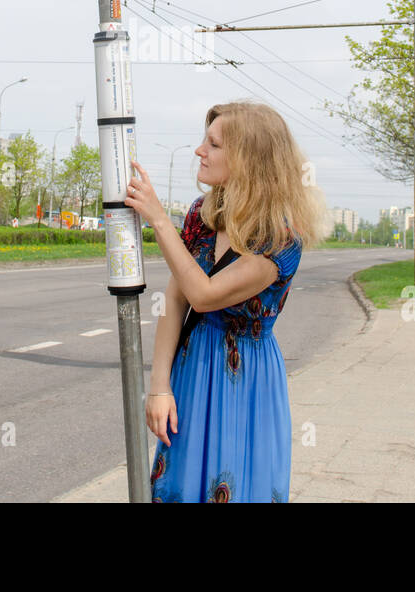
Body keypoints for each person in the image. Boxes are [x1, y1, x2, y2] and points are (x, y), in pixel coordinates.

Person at [123, 100, 326, 502]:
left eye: (213, 144)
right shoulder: (202, 214)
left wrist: (159, 220)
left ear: (248, 159)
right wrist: (160, 385)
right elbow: (177, 297)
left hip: (245, 380)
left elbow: (205, 295)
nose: (200, 150)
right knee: (179, 486)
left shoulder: (281, 240)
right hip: (193, 367)